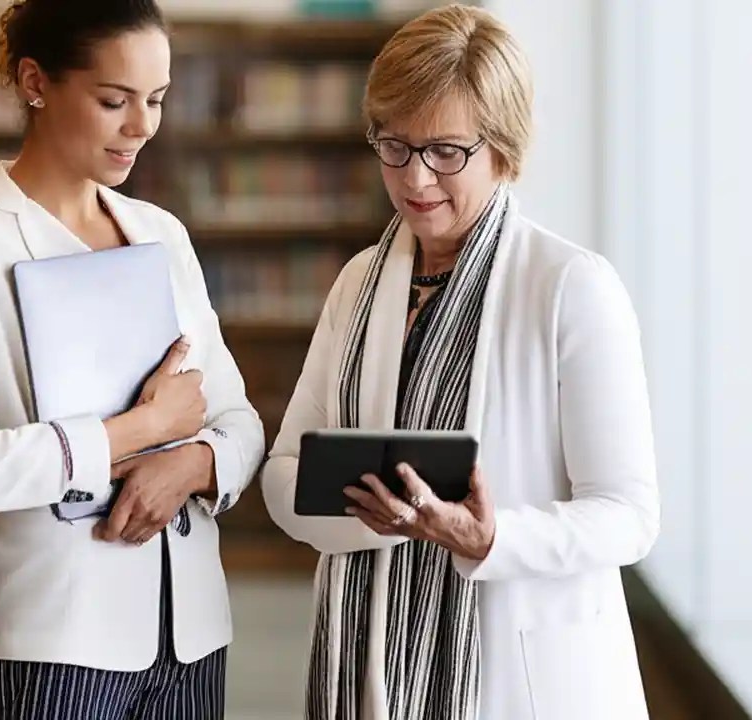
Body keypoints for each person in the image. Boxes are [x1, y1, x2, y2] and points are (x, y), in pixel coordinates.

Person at [261, 5, 660, 719]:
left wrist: (491, 536)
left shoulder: (570, 286)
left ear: (504, 149)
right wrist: (377, 518)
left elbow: (629, 514)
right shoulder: (360, 281)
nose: (416, 179)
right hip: (370, 666)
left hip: (521, 673)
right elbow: (285, 475)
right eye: (395, 146)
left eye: (447, 151)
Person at [0, 1, 264, 717]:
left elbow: (238, 419)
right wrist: (137, 431)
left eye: (156, 100)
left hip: (187, 636)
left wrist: (189, 464)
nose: (142, 127)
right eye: (113, 101)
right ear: (36, 82)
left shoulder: (161, 234)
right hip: (51, 639)